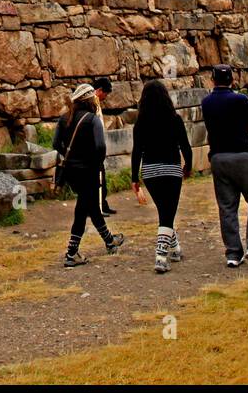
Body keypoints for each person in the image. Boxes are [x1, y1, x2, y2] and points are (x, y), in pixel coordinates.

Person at [201, 65, 248, 267]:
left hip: (218, 157)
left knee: (227, 207)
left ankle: (233, 253)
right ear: (232, 80)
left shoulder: (206, 102)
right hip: (241, 155)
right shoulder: (240, 99)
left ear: (213, 80)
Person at [55, 84, 124, 266]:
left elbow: (56, 144)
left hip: (71, 171)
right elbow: (100, 146)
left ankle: (109, 241)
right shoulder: (93, 120)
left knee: (91, 204)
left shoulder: (64, 119)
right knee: (82, 208)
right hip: (89, 170)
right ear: (89, 100)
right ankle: (72, 252)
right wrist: (95, 163)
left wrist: (71, 156)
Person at [131, 80, 193, 273]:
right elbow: (185, 146)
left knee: (165, 211)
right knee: (167, 213)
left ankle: (175, 250)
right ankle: (160, 257)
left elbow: (136, 152)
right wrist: (188, 166)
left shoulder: (140, 123)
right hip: (171, 170)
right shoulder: (175, 119)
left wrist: (135, 178)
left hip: (150, 171)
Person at [92, 77, 116, 215]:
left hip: (98, 144)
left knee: (101, 177)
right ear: (100, 90)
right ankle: (97, 206)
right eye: (105, 93)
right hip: (94, 146)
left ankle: (103, 204)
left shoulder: (95, 102)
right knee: (98, 178)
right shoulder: (92, 103)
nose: (105, 97)